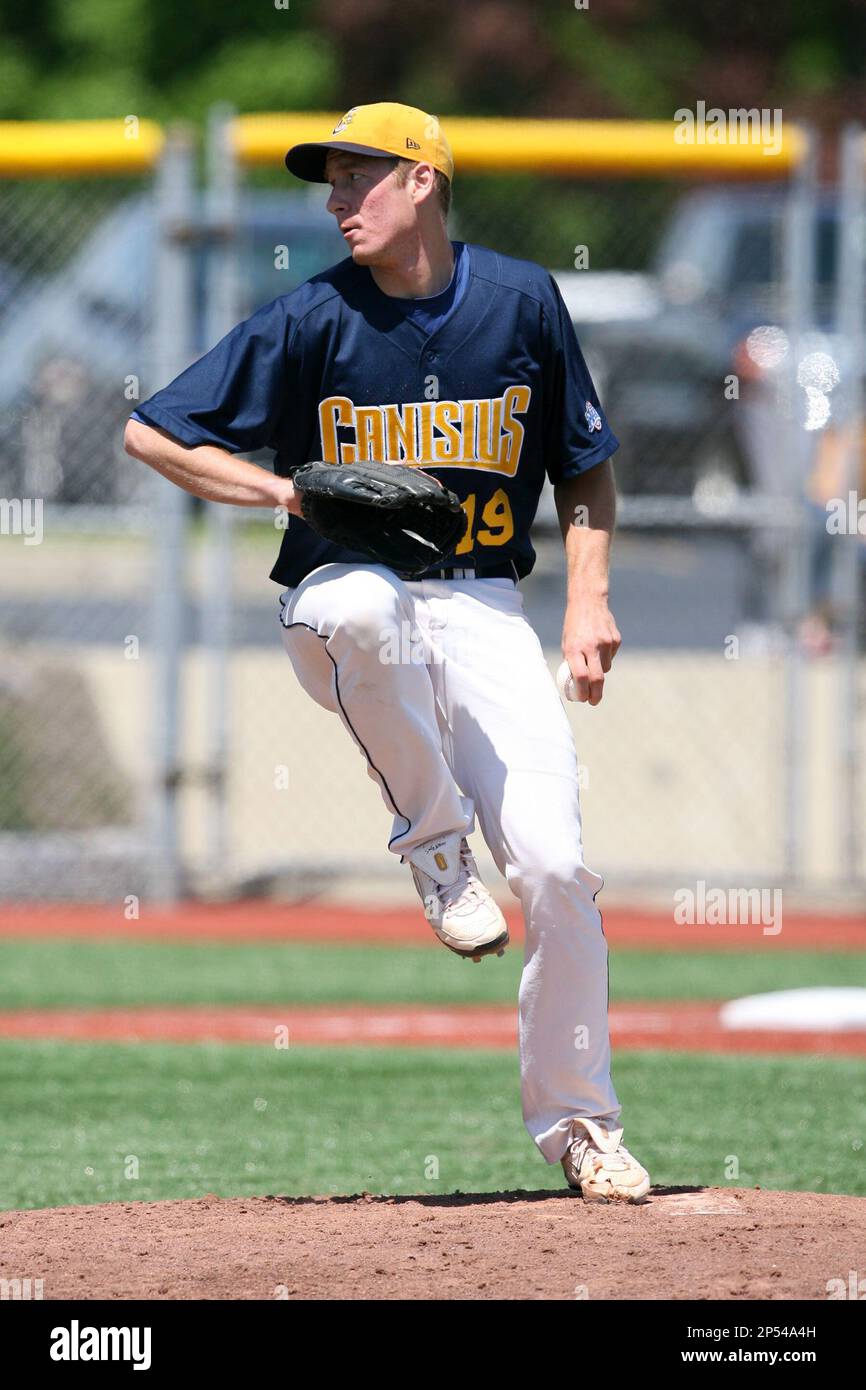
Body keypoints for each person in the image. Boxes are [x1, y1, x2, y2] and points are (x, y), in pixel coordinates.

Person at [124, 102, 650, 1203]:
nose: (334, 200)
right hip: (337, 604)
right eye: (329, 180)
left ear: (422, 181)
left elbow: (583, 463)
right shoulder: (313, 316)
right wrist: (283, 488)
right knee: (363, 606)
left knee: (556, 873)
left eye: (357, 176)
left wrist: (586, 601)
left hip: (484, 607)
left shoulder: (519, 301)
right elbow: (151, 429)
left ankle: (581, 1128)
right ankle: (434, 844)